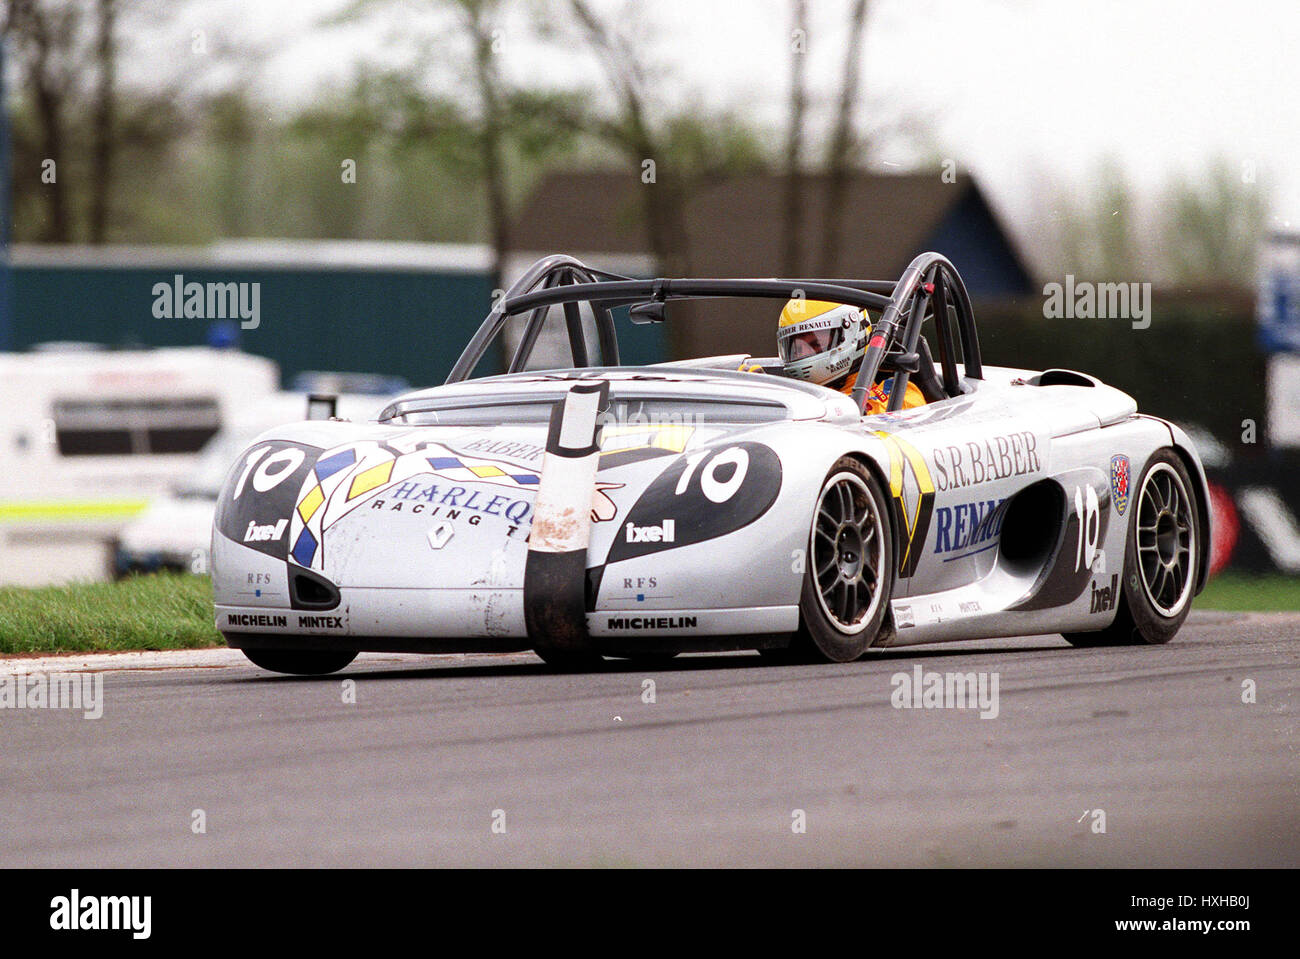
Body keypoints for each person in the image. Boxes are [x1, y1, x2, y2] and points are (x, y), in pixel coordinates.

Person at [765, 299, 926, 414]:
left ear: (850, 334)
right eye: (798, 348)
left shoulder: (900, 392)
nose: (804, 354)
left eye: (816, 344)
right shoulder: (790, 396)